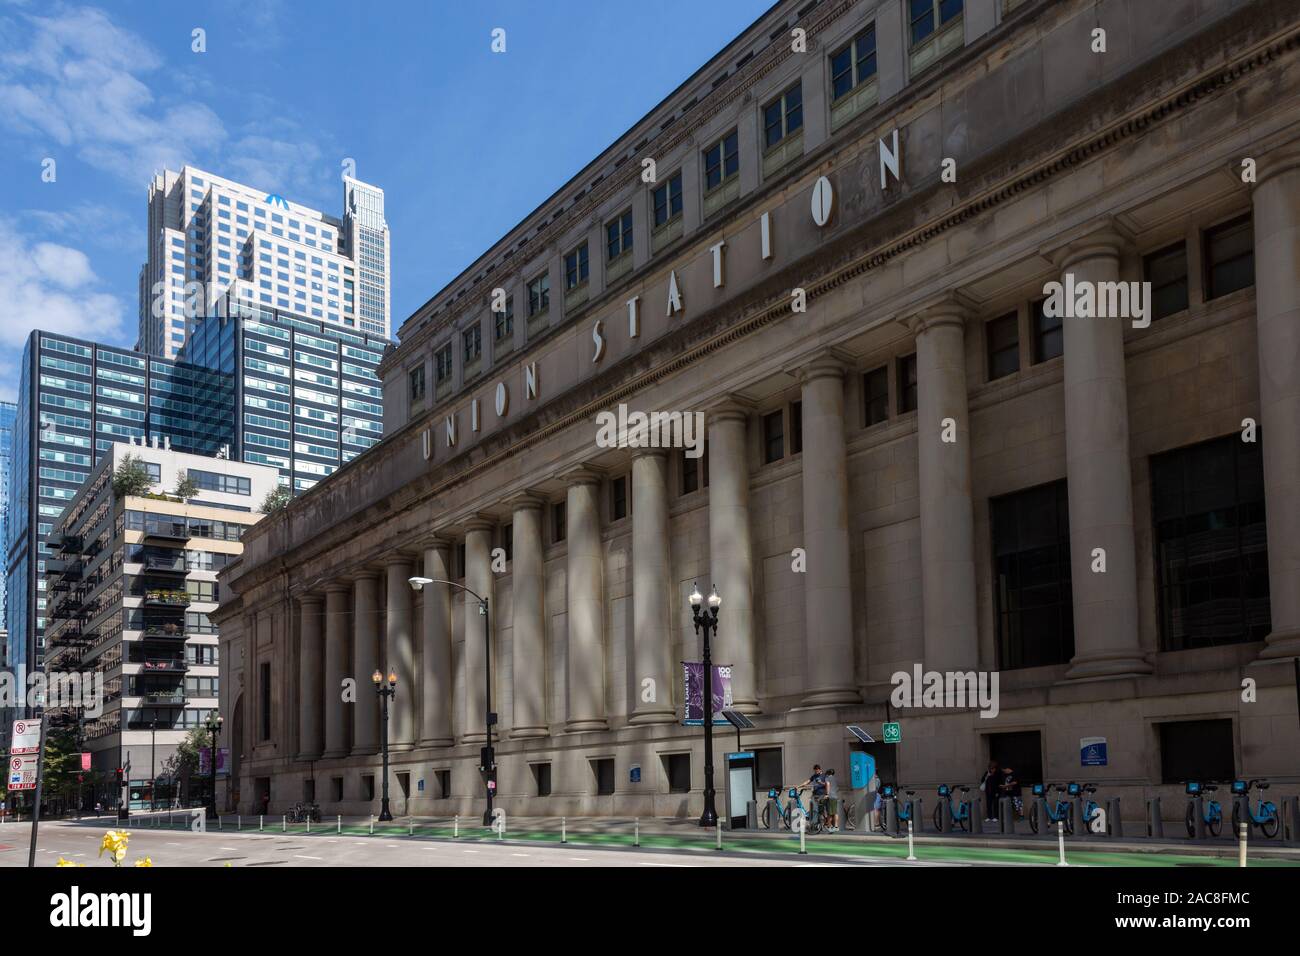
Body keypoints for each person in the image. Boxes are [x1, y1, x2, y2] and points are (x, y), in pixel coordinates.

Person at [797, 764, 829, 829]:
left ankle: (824, 823)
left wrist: (826, 793)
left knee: (822, 810)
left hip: (822, 795)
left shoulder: (824, 776)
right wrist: (799, 786)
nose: (816, 772)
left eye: (817, 770)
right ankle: (814, 824)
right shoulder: (814, 776)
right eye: (815, 771)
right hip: (815, 795)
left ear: (820, 769)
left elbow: (827, 784)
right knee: (814, 809)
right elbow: (807, 781)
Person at [824, 768, 840, 833]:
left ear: (828, 773)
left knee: (829, 813)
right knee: (835, 812)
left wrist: (827, 794)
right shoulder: (835, 779)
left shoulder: (827, 778)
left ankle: (829, 827)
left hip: (830, 797)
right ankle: (836, 827)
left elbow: (827, 785)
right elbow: (837, 788)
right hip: (835, 796)